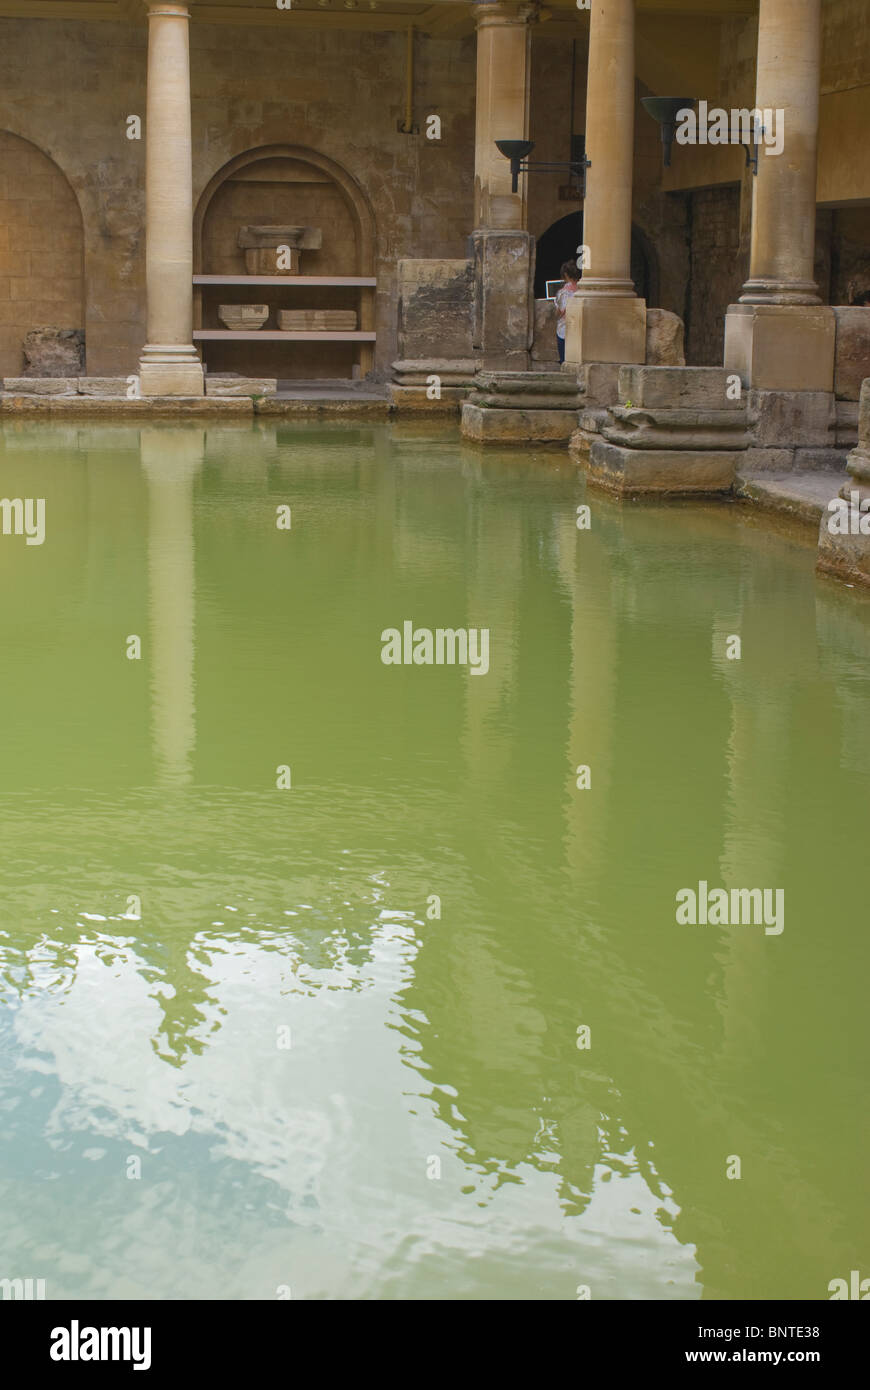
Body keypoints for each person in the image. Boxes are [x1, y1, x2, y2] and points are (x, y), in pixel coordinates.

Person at [554, 260, 579, 363]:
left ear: (565, 275)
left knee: (564, 359)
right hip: (580, 327)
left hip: (564, 328)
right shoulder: (583, 290)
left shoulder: (562, 293)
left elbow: (559, 312)